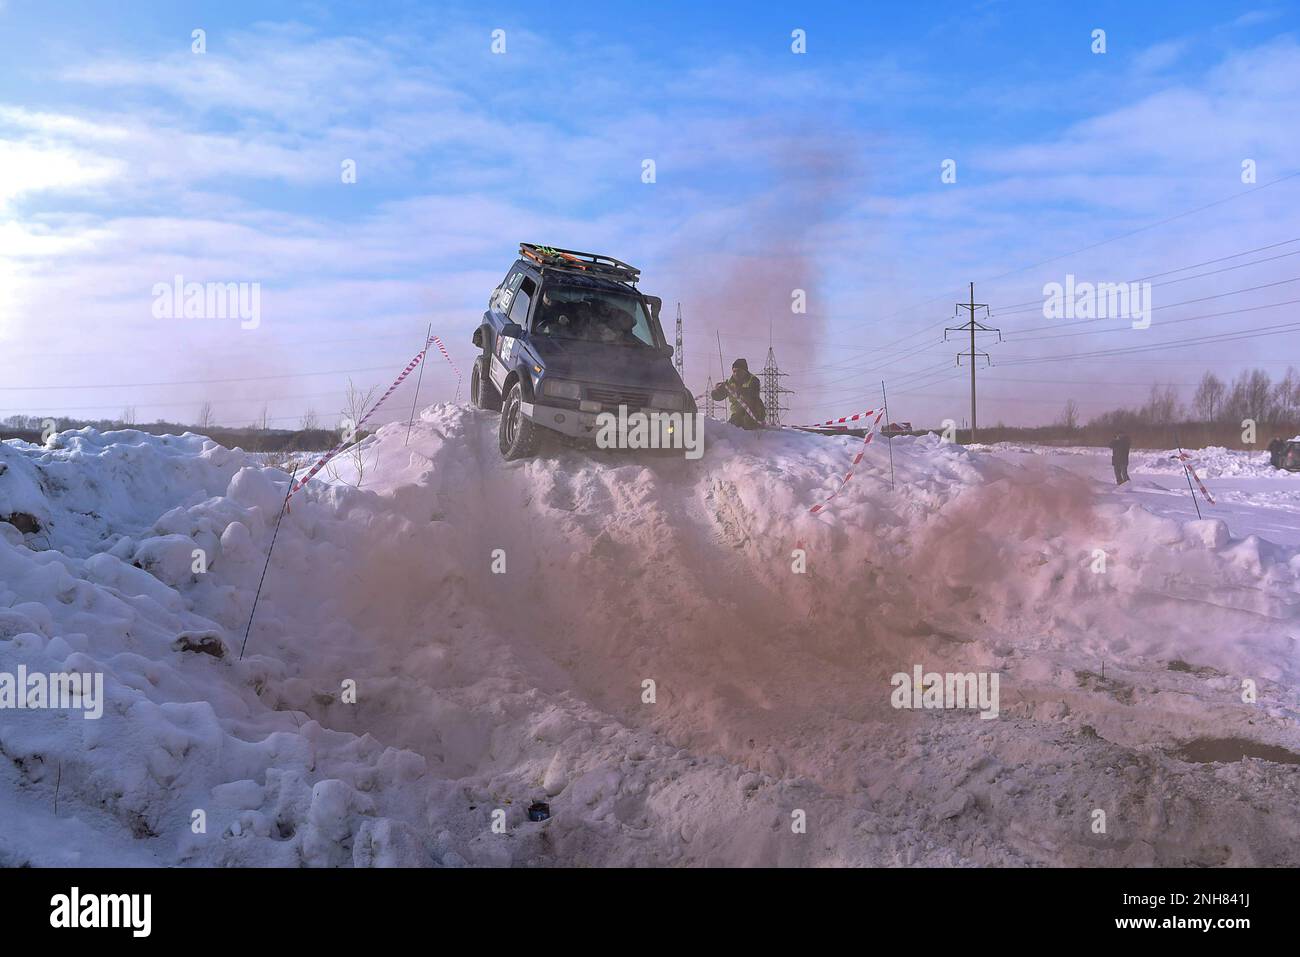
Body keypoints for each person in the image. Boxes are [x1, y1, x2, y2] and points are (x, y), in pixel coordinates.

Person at [710, 358, 766, 429]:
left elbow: (752, 395)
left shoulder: (754, 380)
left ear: (745, 371)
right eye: (734, 371)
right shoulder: (730, 383)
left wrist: (738, 390)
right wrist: (717, 391)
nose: (736, 374)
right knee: (730, 428)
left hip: (752, 412)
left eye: (739, 371)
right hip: (737, 414)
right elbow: (717, 397)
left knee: (748, 423)